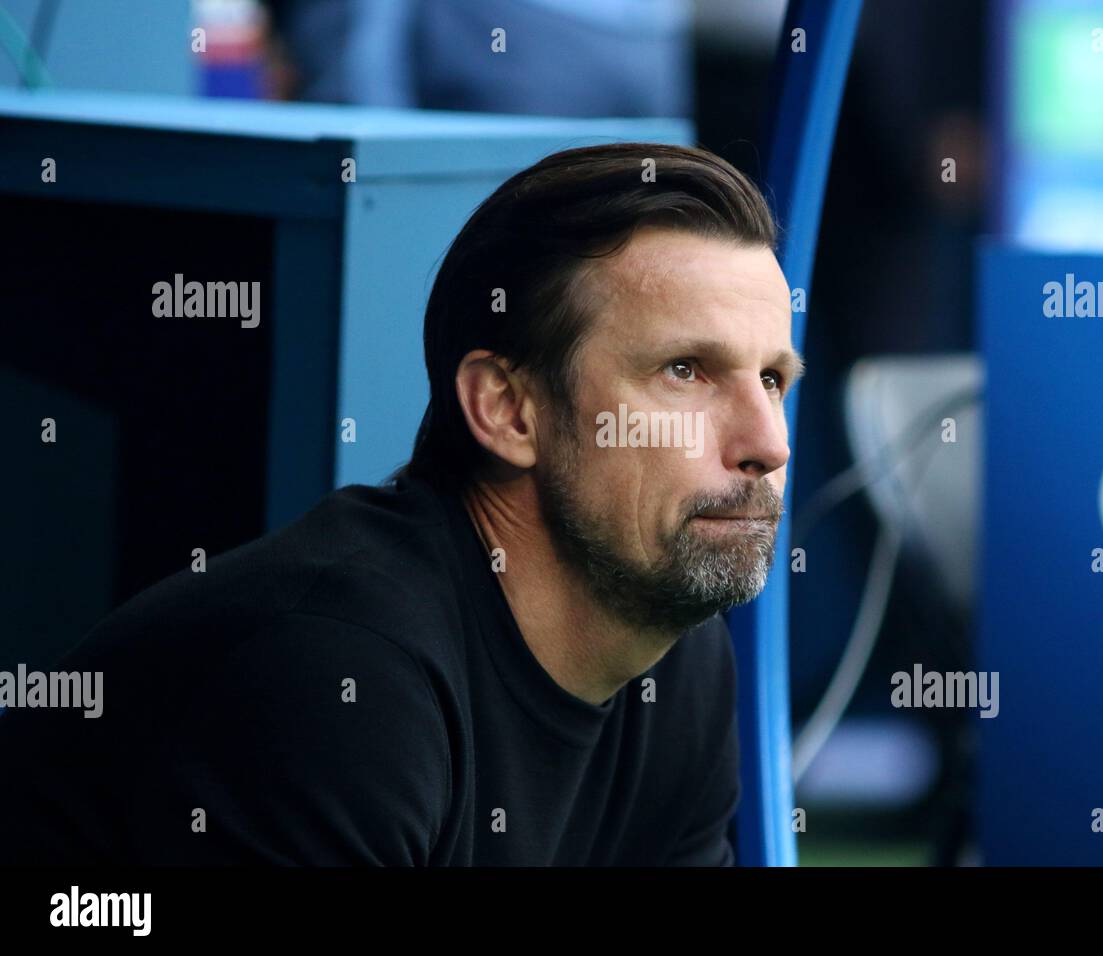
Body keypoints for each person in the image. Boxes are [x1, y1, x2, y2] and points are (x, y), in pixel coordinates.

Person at [0, 142, 802, 865]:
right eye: (685, 372)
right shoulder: (334, 671)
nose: (769, 443)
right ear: (508, 410)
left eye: (773, 379)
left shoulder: (674, 659)